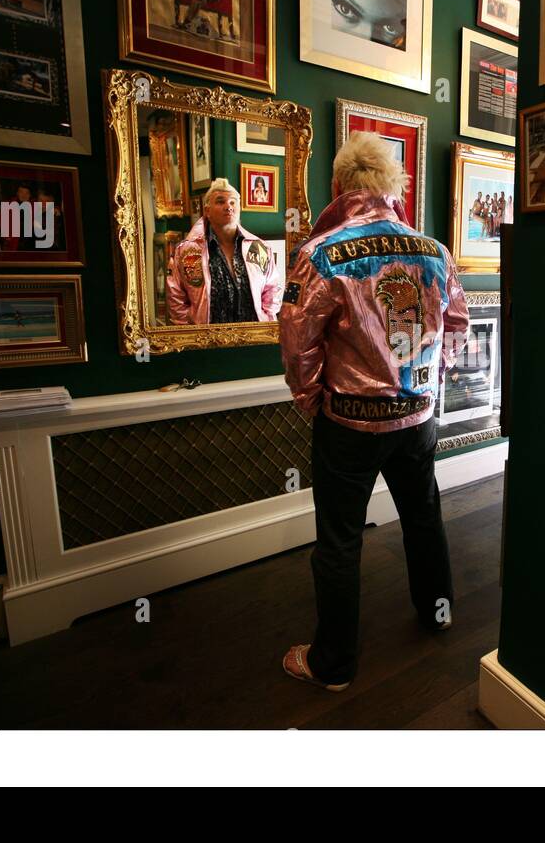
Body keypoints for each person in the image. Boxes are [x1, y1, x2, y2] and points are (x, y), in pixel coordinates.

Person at [278, 131, 470, 691]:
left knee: (340, 539)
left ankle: (333, 664)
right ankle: (438, 611)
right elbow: (457, 328)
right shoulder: (434, 252)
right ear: (392, 185)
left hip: (349, 423)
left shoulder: (320, 254)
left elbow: (296, 340)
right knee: (423, 515)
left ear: (339, 186)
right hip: (418, 419)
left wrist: (311, 397)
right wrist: (426, 379)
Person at [166, 177, 281, 324]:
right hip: (207, 341)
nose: (229, 206)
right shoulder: (186, 251)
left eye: (233, 202)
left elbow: (271, 289)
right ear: (207, 211)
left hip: (253, 339)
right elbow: (176, 297)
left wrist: (267, 322)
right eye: (221, 202)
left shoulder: (259, 248)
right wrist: (191, 333)